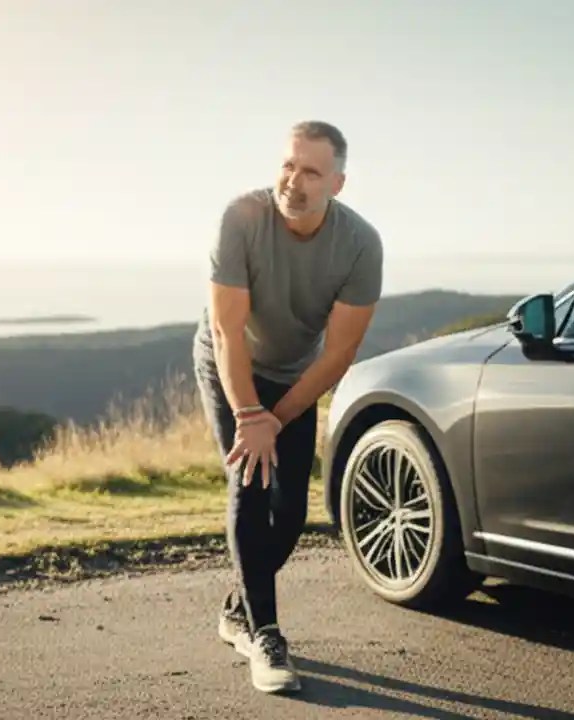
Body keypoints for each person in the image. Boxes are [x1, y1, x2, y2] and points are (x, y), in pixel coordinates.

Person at [191, 120, 383, 693]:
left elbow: (340, 351)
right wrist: (250, 417)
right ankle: (266, 636)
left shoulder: (360, 244)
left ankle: (239, 605)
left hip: (295, 378)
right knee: (249, 484)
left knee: (292, 513)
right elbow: (226, 332)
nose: (293, 182)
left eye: (311, 173)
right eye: (287, 165)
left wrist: (279, 416)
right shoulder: (241, 218)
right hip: (230, 365)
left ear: (337, 184)